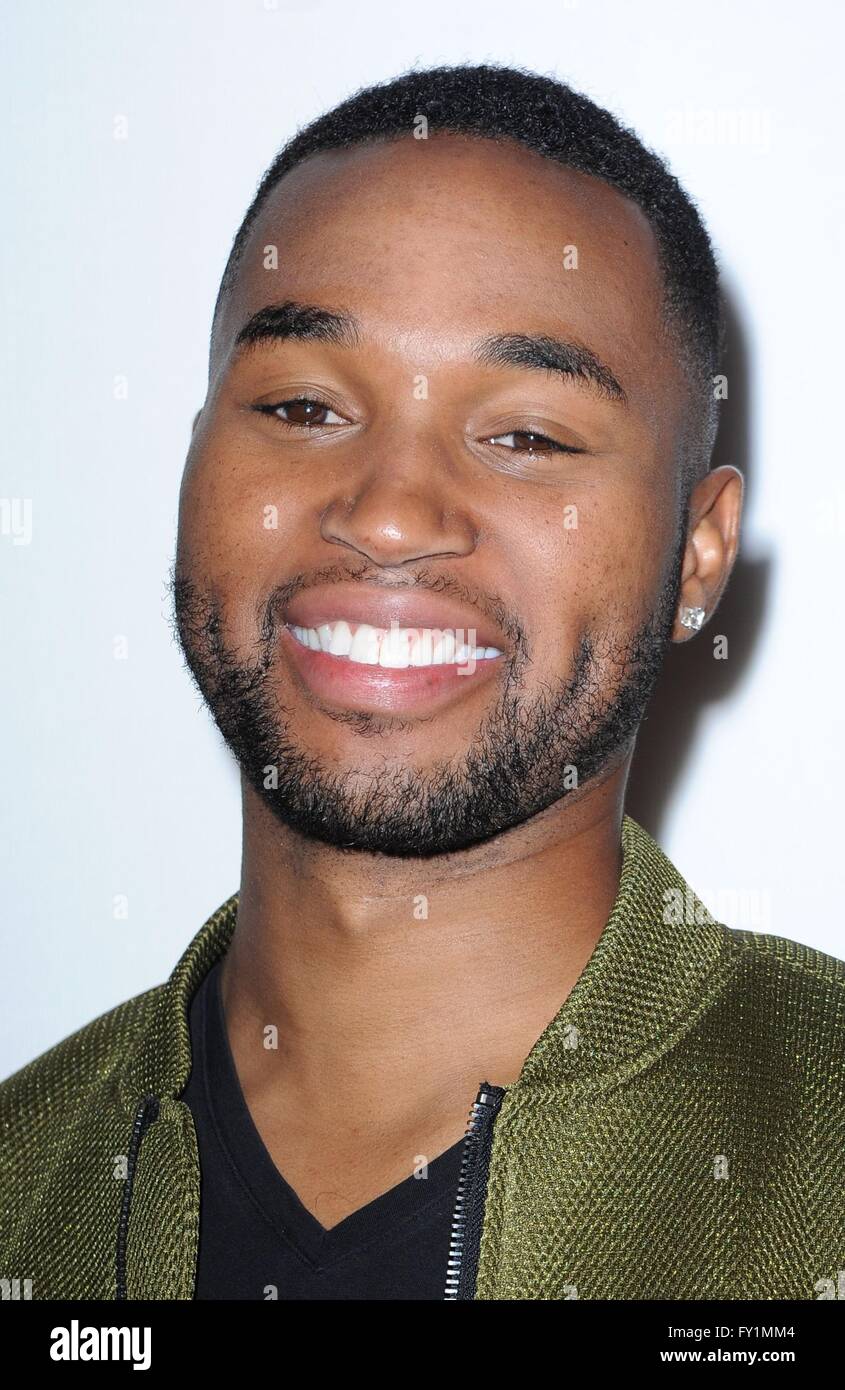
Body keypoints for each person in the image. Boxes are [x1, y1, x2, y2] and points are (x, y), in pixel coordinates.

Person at [2, 62, 843, 1303]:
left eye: (525, 436)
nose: (389, 516)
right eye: (299, 405)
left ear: (696, 556)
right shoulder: (26, 1185)